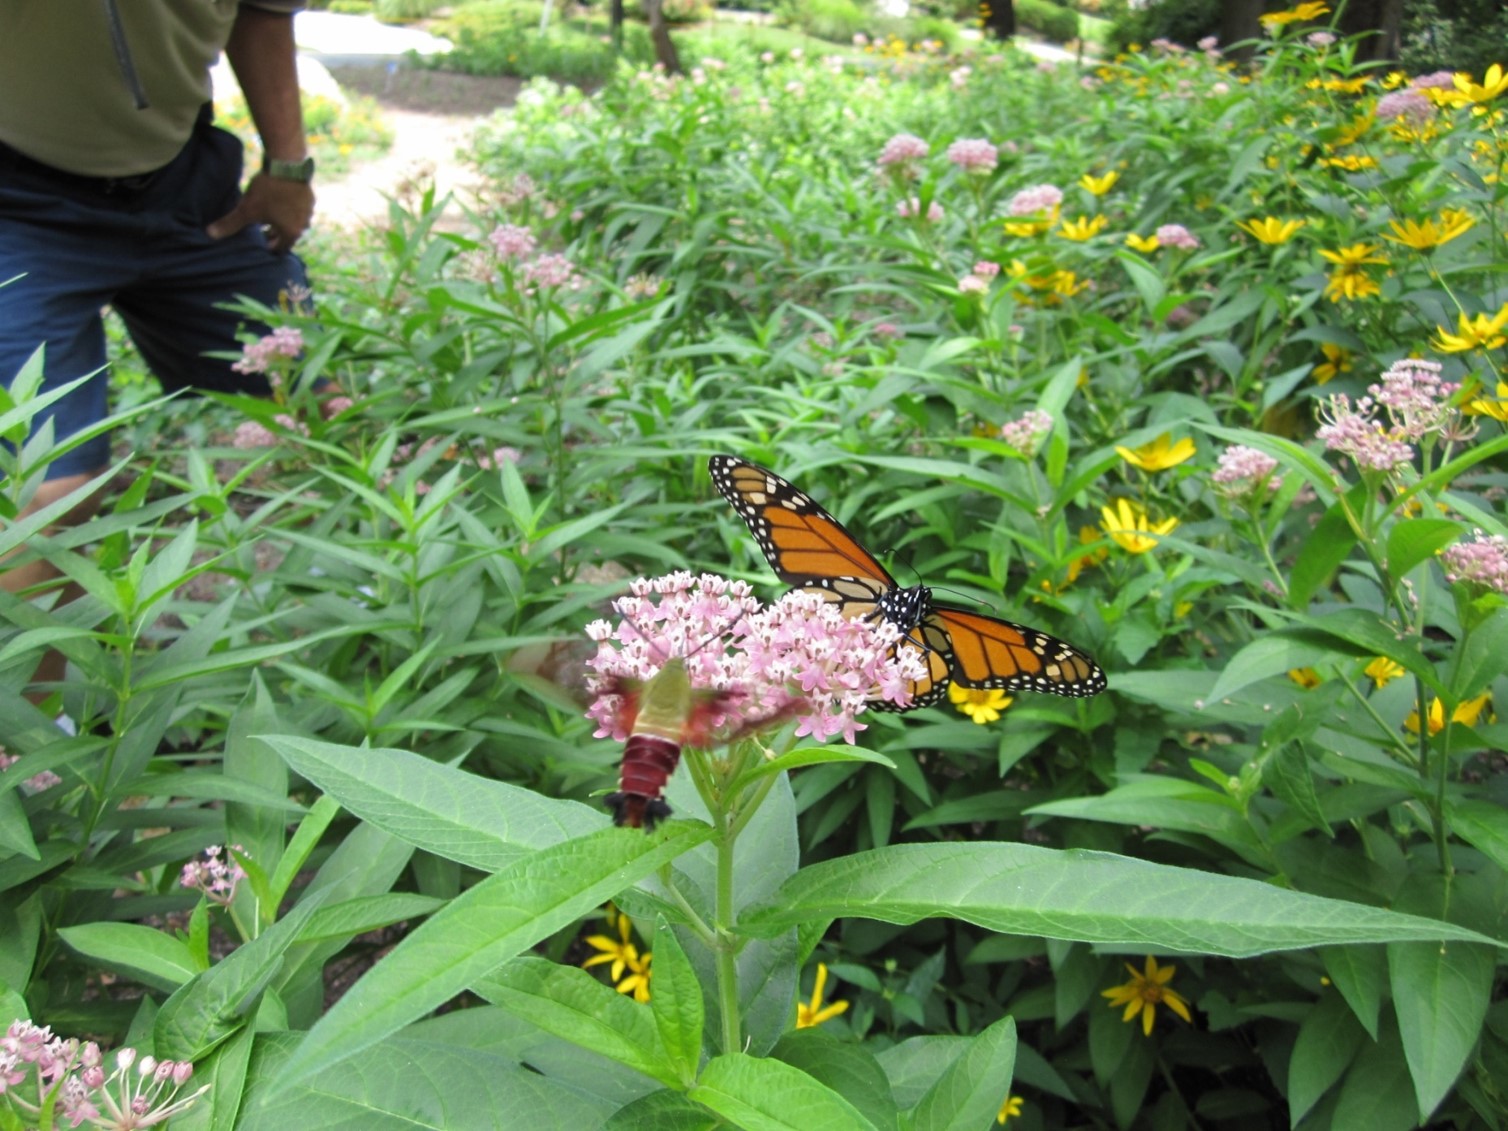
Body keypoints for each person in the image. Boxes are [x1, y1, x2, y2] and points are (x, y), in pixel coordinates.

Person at [0, 0, 316, 700]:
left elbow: (262, 12)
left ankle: (360, 634)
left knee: (319, 405)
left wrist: (289, 167)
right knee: (47, 490)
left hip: (183, 186)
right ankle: (35, 759)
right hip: (17, 198)